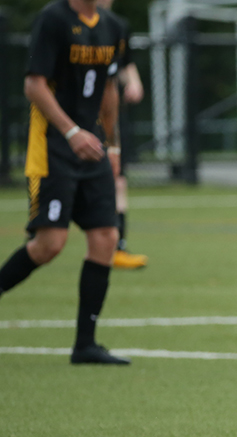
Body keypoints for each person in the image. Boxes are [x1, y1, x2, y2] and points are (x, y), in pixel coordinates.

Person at [0, 0, 129, 365]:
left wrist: (114, 144)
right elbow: (33, 85)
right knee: (49, 244)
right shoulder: (52, 19)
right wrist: (71, 132)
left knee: (106, 237)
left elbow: (107, 89)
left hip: (93, 147)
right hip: (53, 145)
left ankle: (85, 344)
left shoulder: (112, 26)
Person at [98, 0, 148, 270]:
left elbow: (124, 63)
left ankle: (118, 247)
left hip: (108, 117)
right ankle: (39, 234)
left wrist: (135, 82)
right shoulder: (61, 22)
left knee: (118, 179)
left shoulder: (117, 27)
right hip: (72, 118)